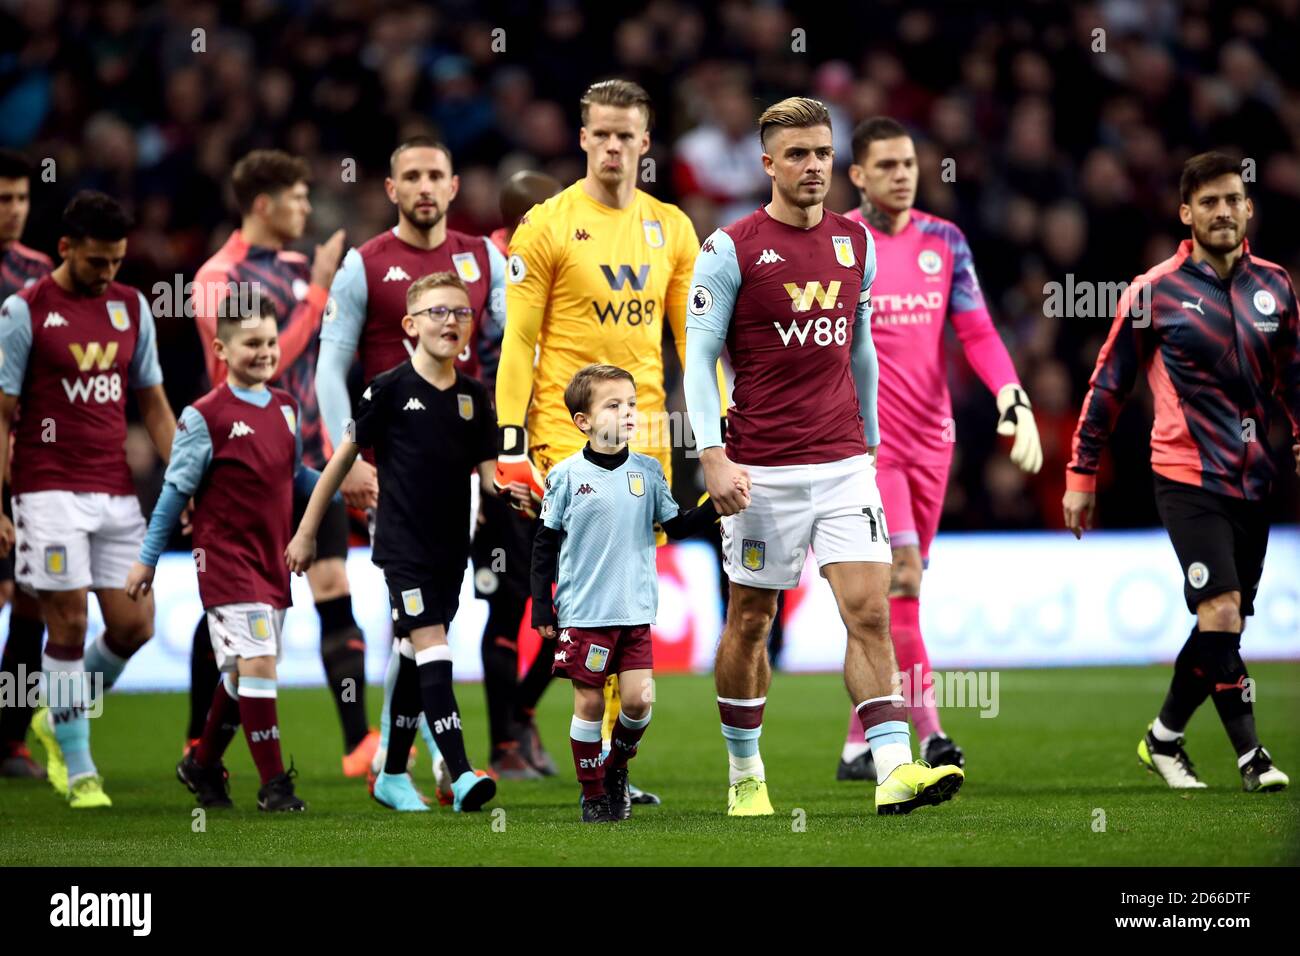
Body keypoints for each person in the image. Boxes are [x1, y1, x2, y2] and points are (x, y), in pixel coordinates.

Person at [683, 97, 965, 816]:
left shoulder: (856, 244)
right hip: (762, 469)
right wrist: (711, 456)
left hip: (843, 464)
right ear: (768, 164)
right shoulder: (730, 248)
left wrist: (869, 435)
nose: (815, 167)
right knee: (752, 619)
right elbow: (697, 361)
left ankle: (894, 768)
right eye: (799, 154)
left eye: (823, 153)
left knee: (870, 611)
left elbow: (860, 344)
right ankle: (746, 772)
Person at [495, 78, 722, 805]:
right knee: (580, 599)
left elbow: (695, 343)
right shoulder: (548, 225)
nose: (616, 145)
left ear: (646, 142)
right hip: (566, 439)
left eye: (629, 134)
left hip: (646, 440)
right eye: (603, 134)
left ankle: (599, 765)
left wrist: (718, 431)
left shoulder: (674, 229)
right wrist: (508, 444)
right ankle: (570, 759)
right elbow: (519, 342)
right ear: (583, 138)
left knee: (623, 605)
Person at [1063, 151, 1297, 794]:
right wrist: (1081, 471)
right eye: (1209, 202)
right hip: (1184, 475)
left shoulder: (1276, 286)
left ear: (1249, 208)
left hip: (1254, 479)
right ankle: (1252, 759)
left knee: (1223, 624)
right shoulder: (1154, 291)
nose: (1223, 211)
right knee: (1220, 610)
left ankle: (1163, 738)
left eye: (1233, 199)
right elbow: (1109, 384)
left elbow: (1294, 382)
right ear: (1186, 213)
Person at [317, 138, 540, 784]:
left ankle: (397, 757)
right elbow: (331, 367)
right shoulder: (365, 264)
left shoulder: (483, 259)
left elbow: (511, 352)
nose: (422, 186)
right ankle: (438, 758)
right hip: (395, 466)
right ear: (391, 189)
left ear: (452, 186)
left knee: (427, 617)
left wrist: (509, 450)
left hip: (464, 463)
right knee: (422, 616)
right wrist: (350, 454)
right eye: (409, 175)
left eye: (433, 175)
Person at [834, 116, 1042, 781]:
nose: (902, 174)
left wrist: (1013, 395)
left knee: (901, 600)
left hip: (934, 441)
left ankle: (854, 746)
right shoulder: (839, 244)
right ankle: (931, 735)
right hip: (869, 447)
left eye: (910, 164)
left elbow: (976, 330)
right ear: (859, 175)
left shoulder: (944, 241)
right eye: (887, 165)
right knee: (901, 578)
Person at [289, 271, 527, 813]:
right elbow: (339, 464)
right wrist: (306, 531)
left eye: (461, 313)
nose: (452, 321)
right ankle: (462, 772)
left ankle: (393, 773)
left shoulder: (474, 398)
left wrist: (524, 492)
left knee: (412, 653)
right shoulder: (388, 389)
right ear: (410, 324)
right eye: (438, 312)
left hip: (452, 550)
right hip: (402, 549)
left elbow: (491, 478)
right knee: (433, 648)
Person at [190, 150, 372, 776]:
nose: (307, 208)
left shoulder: (299, 266)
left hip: (313, 460)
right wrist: (321, 290)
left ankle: (360, 745)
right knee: (237, 611)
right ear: (263, 204)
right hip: (243, 470)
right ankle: (200, 742)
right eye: (297, 197)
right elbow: (227, 372)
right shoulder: (220, 276)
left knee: (332, 586)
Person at [0, 191, 177, 808]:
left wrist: (187, 478)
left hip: (115, 491)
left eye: (117, 262)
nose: (108, 274)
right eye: (96, 262)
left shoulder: (131, 308)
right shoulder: (25, 312)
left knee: (135, 625)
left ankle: (58, 712)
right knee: (69, 621)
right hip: (45, 486)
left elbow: (152, 404)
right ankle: (79, 770)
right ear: (66, 249)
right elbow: (2, 417)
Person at [126, 299, 317, 811]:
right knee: (258, 661)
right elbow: (173, 491)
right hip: (226, 562)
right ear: (221, 348)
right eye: (252, 343)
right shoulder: (203, 416)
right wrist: (148, 558)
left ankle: (202, 764)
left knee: (239, 672)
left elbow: (294, 477)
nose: (265, 352)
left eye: (271, 342)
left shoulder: (285, 407)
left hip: (272, 560)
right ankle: (275, 785)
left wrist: (345, 485)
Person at [531, 364, 720, 822]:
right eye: (613, 405)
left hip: (635, 612)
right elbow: (543, 543)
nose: (628, 412)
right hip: (585, 613)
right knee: (590, 703)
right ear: (584, 421)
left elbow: (676, 527)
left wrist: (717, 504)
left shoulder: (648, 472)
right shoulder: (566, 475)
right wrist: (541, 602)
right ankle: (593, 794)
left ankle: (616, 769)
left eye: (632, 404)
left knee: (638, 702)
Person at [0, 148, 53, 778]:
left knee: (35, 599)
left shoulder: (42, 275)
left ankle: (10, 738)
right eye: (2, 200)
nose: (13, 211)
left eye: (20, 198)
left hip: (28, 467)